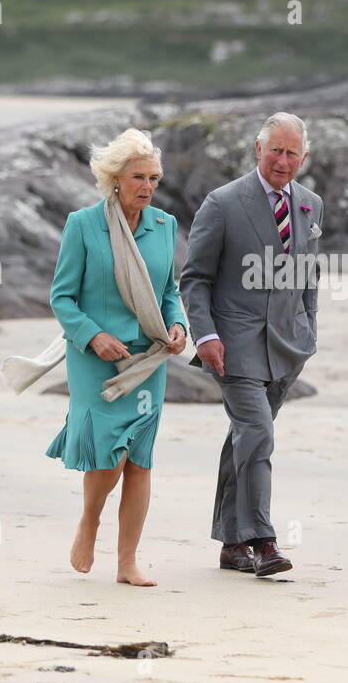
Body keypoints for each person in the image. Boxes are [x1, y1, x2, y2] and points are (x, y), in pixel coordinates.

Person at [181, 112, 323, 577]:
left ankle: (229, 543)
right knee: (258, 433)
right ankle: (262, 540)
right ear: (257, 150)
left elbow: (308, 275)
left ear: (304, 157)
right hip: (233, 344)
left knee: (245, 437)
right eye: (275, 150)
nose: (283, 161)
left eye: (292, 153)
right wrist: (205, 336)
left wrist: (310, 331)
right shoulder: (222, 203)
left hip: (288, 346)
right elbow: (195, 278)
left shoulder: (310, 205)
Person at [46, 128, 188, 587]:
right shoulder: (83, 225)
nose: (147, 187)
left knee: (140, 459)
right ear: (115, 180)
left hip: (148, 358)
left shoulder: (164, 226)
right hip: (95, 359)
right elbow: (62, 298)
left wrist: (179, 324)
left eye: (155, 178)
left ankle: (127, 563)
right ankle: (90, 522)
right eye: (138, 177)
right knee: (108, 456)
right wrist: (94, 336)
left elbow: (169, 291)